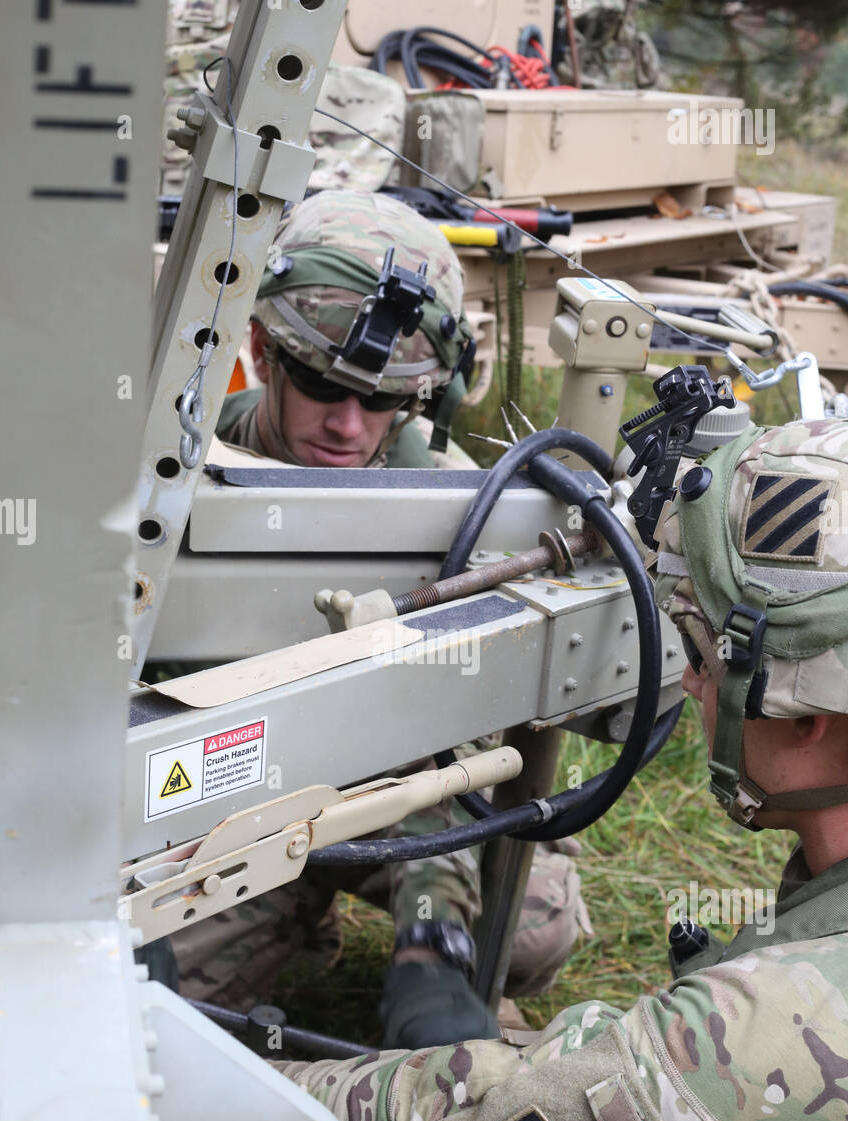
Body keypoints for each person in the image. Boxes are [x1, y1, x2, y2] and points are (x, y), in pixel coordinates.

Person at [221, 416, 848, 1121]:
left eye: (704, 652)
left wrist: (208, 1106)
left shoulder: (787, 1022)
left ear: (811, 713)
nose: (690, 683)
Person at [160, 189, 592, 1045]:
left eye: (386, 399)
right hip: (222, 792)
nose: (350, 425)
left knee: (538, 919)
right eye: (323, 385)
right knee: (161, 993)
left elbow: (453, 751)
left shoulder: (456, 504)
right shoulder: (178, 479)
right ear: (261, 351)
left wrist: (433, 944)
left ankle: (399, 946)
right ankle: (293, 916)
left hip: (398, 787)